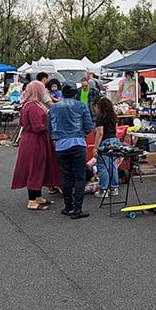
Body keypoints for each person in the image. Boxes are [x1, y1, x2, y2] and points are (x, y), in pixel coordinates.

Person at [47, 82, 95, 219]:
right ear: (75, 93)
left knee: (66, 177)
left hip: (61, 145)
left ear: (62, 92)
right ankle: (77, 209)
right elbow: (89, 126)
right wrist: (81, 133)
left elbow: (49, 127)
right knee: (79, 177)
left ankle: (68, 206)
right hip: (78, 143)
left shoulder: (53, 108)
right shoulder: (81, 106)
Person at [12, 80, 61, 211]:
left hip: (33, 139)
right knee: (35, 167)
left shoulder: (29, 104)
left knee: (39, 167)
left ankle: (38, 196)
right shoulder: (33, 107)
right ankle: (32, 200)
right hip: (36, 140)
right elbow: (38, 127)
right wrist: (51, 126)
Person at [92, 97, 120, 198]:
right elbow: (116, 130)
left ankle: (103, 189)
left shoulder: (100, 118)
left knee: (103, 166)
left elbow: (100, 133)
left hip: (105, 142)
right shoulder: (114, 116)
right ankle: (114, 188)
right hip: (114, 141)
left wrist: (95, 147)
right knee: (112, 165)